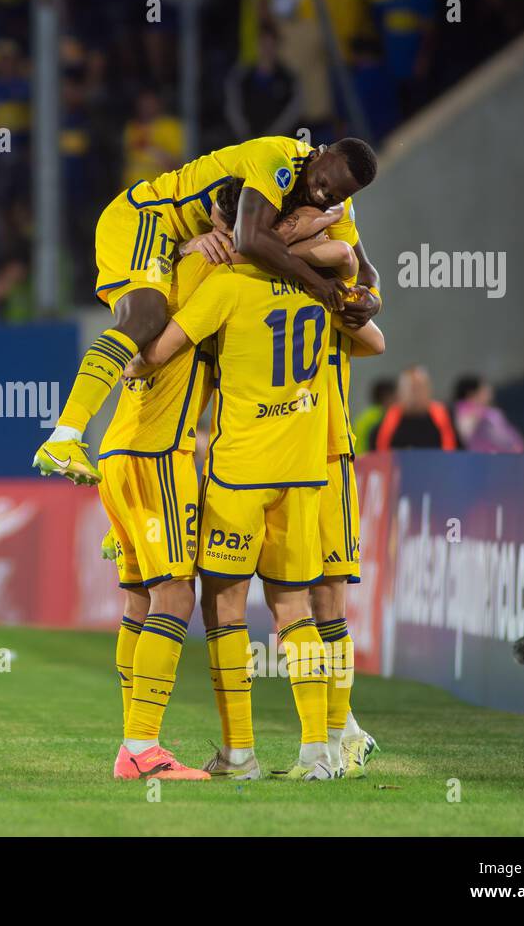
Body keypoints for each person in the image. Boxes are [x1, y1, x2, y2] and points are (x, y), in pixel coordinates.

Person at [125, 235, 384, 783]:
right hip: (307, 472)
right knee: (300, 609)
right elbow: (373, 339)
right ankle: (320, 752)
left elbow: (157, 352)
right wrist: (345, 266)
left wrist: (129, 360)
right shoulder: (323, 291)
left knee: (226, 609)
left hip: (241, 474)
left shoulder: (225, 286)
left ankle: (239, 754)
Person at [33, 134, 382, 486]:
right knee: (144, 318)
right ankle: (64, 437)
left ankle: (123, 525)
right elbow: (249, 239)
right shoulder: (276, 160)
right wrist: (316, 282)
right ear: (319, 154)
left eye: (335, 196)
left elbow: (365, 270)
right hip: (151, 219)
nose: (323, 195)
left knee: (184, 360)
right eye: (322, 184)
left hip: (189, 251)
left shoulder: (334, 204)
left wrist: (372, 298)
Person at [373, 365, 457, 449]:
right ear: (400, 393)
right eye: (411, 389)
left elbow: (454, 451)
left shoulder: (444, 417)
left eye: (420, 388)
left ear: (429, 390)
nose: (416, 395)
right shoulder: (387, 421)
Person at [453, 374, 524, 453]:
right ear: (471, 393)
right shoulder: (466, 414)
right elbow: (465, 434)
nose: (489, 392)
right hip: (488, 459)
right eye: (484, 389)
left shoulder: (489, 412)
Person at [352, 377, 396, 449]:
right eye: (394, 398)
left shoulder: (365, 415)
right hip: (367, 458)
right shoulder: (380, 417)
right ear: (386, 398)